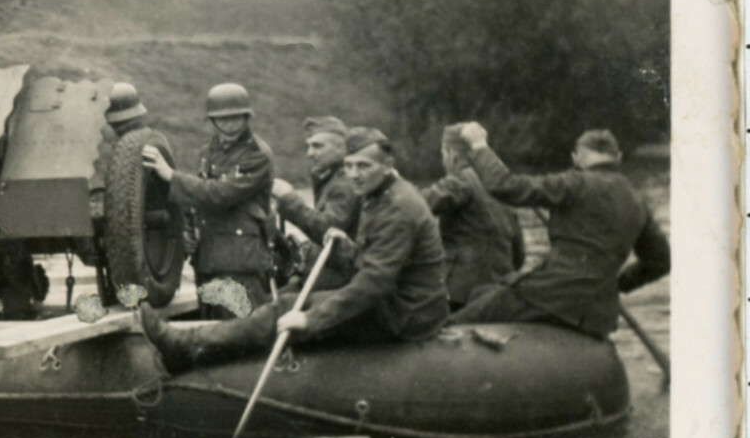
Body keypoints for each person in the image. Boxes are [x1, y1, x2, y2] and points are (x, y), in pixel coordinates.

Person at [139, 127, 448, 371]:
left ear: (388, 166)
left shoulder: (397, 208)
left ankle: (187, 345)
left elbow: (374, 283)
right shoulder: (380, 192)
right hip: (401, 302)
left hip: (405, 313)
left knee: (287, 310)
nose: (354, 174)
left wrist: (312, 320)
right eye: (350, 166)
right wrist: (348, 247)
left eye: (363, 166)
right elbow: (378, 260)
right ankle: (193, 346)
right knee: (289, 303)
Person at [447, 125, 670, 336]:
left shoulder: (573, 183)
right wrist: (615, 285)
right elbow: (661, 262)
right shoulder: (637, 201)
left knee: (457, 321)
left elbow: (505, 186)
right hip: (598, 316)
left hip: (549, 299)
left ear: (576, 158)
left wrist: (479, 145)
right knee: (483, 293)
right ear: (618, 157)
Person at [141, 82, 276, 318]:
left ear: (247, 117)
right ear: (212, 120)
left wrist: (171, 176)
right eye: (222, 118)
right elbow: (198, 196)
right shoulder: (208, 150)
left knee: (244, 329)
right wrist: (187, 229)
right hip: (208, 260)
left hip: (240, 262)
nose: (229, 124)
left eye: (236, 117)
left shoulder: (257, 154)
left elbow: (220, 194)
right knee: (209, 329)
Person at [421, 124, 525, 310]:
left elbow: (417, 206)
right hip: (502, 287)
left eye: (443, 154)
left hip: (461, 294)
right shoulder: (501, 184)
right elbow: (519, 253)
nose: (443, 161)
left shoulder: (462, 179)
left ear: (452, 154)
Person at [272, 115, 358, 291]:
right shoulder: (329, 178)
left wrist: (288, 198)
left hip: (339, 282)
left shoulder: (344, 184)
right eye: (309, 146)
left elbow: (327, 231)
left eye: (318, 146)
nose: (310, 153)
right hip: (326, 273)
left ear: (340, 147)